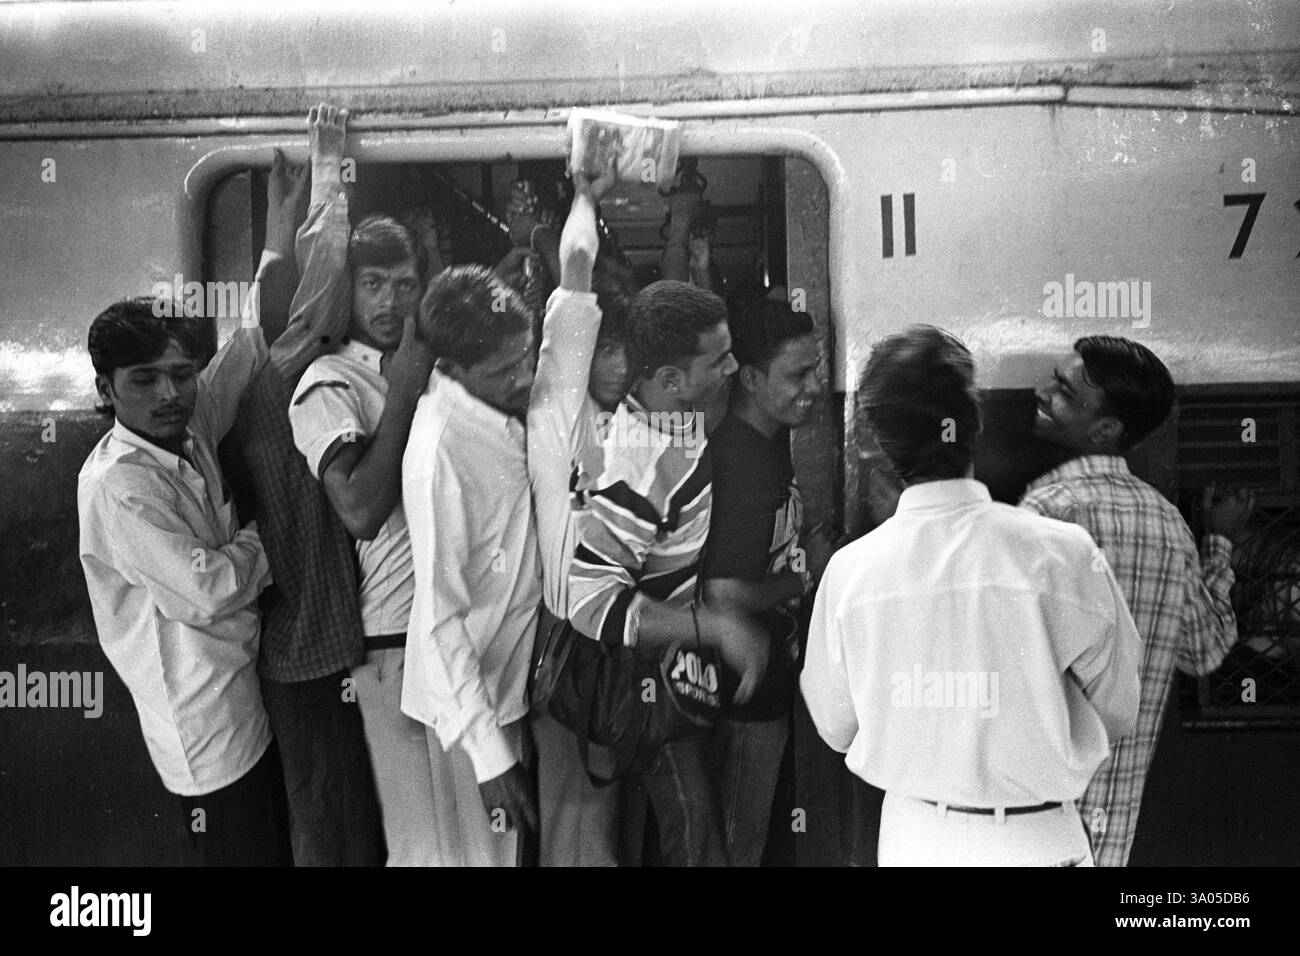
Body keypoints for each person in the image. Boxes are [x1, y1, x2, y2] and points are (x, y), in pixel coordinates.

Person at [802, 325, 1142, 866]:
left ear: (876, 440)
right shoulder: (1064, 554)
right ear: (974, 422)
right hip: (1041, 841)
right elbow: (1120, 711)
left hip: (917, 842)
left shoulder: (849, 574)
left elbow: (837, 727)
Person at [1023, 334, 1254, 866]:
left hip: (1036, 817)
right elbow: (1205, 651)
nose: (1040, 391)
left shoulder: (1046, 512)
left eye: (1062, 389)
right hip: (1111, 829)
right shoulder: (1169, 523)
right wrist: (1220, 546)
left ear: (1105, 429)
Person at [77, 290, 289, 866]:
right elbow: (207, 590)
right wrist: (276, 530)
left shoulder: (186, 425)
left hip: (245, 697)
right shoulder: (119, 486)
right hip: (205, 726)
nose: (169, 394)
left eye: (181, 374)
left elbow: (250, 340)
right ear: (106, 390)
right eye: (144, 380)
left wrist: (288, 214)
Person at [565, 278, 771, 867]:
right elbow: (591, 602)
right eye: (720, 359)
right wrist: (714, 630)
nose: (735, 367)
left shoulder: (672, 419)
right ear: (671, 380)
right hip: (648, 679)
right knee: (697, 839)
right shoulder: (637, 464)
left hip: (676, 673)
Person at [287, 103, 437, 866]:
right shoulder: (329, 381)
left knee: (473, 836)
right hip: (390, 641)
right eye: (372, 284)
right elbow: (358, 507)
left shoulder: (433, 363)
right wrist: (406, 391)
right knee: (415, 839)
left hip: (456, 629)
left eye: (403, 284)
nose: (388, 301)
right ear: (348, 291)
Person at [234, 107, 383, 866]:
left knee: (323, 814)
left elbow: (287, 297)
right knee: (341, 822)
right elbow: (322, 288)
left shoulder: (255, 388)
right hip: (319, 648)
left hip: (297, 648)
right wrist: (331, 164)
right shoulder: (297, 381)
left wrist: (274, 223)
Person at [699, 297, 833, 865]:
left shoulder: (766, 443)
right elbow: (723, 595)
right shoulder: (744, 462)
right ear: (751, 379)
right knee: (735, 846)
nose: (815, 385)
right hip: (741, 695)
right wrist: (806, 569)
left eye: (818, 369)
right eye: (798, 374)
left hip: (760, 685)